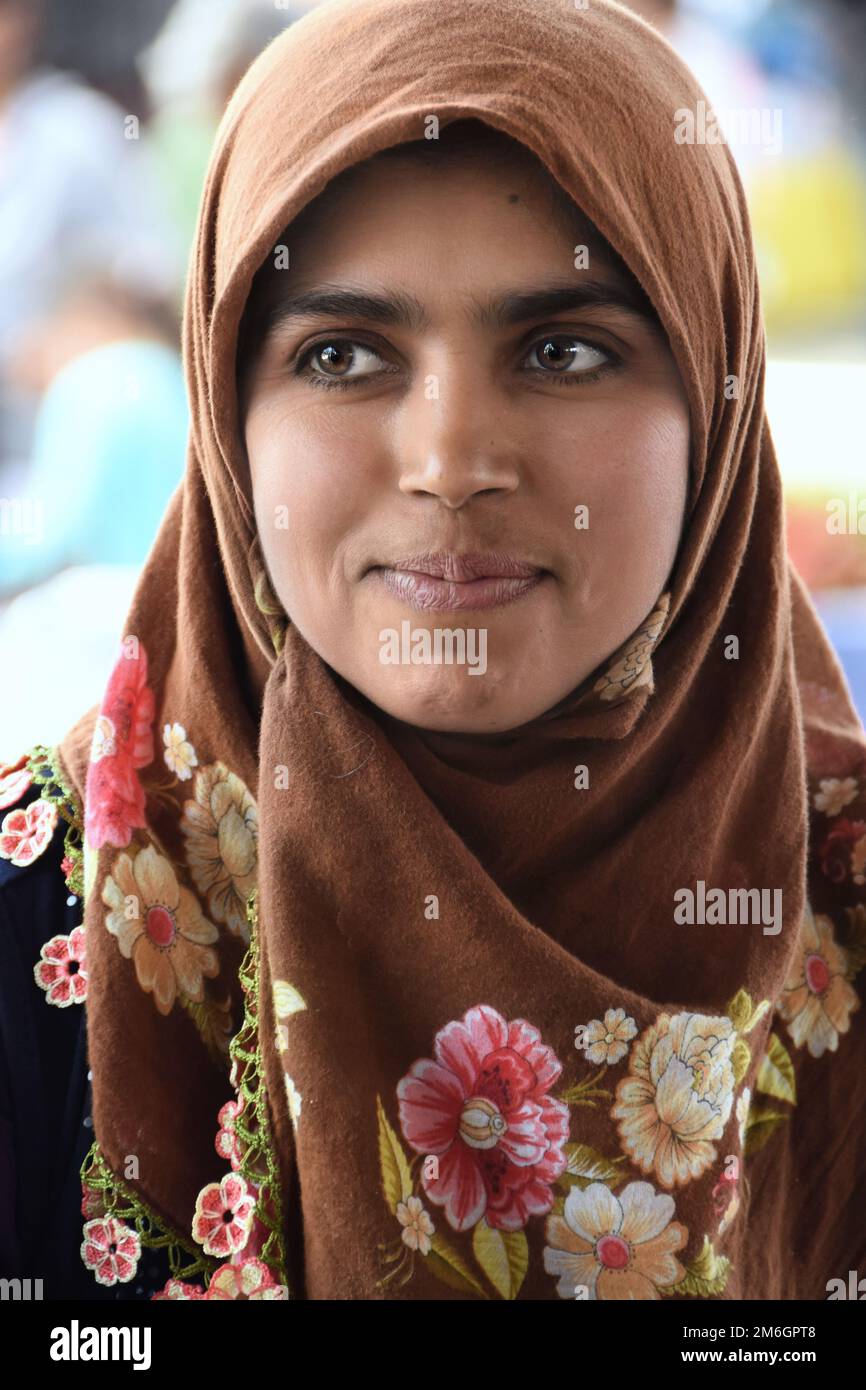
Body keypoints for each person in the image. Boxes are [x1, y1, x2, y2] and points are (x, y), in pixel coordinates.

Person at [2, 0, 866, 1303]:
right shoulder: (36, 914)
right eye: (342, 353)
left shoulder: (843, 895)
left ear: (716, 394)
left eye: (565, 349)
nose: (452, 462)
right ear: (228, 413)